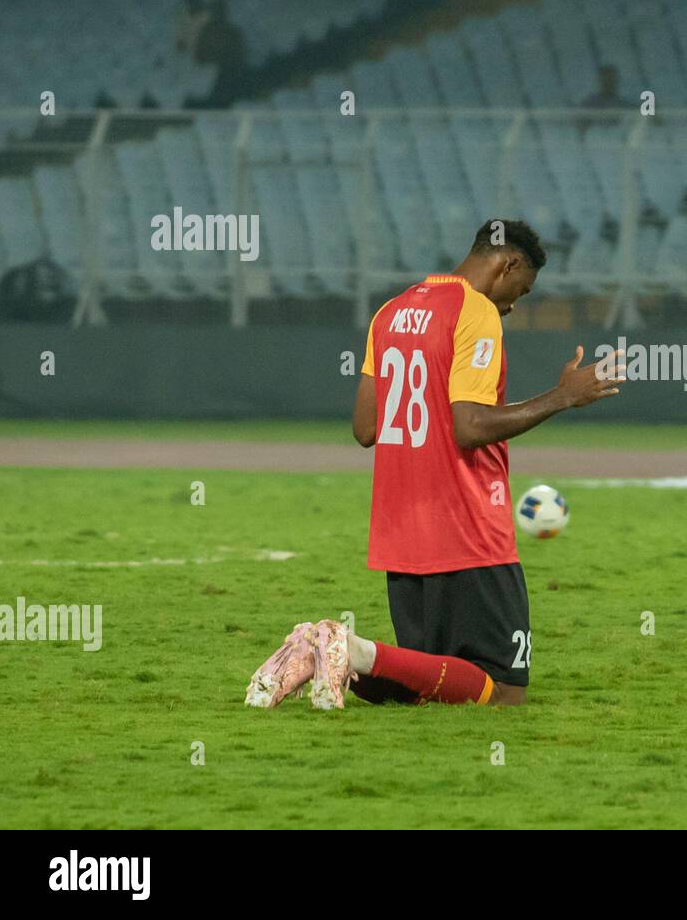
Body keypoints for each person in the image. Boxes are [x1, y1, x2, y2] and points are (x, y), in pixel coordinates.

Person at [245, 220, 623, 709]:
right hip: (466, 529)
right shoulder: (476, 311)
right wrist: (563, 397)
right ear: (507, 264)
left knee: (432, 685)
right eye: (521, 290)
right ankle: (351, 648)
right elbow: (469, 427)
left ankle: (319, 650)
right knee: (504, 691)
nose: (512, 305)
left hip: (400, 533)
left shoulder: (391, 310)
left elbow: (365, 429)